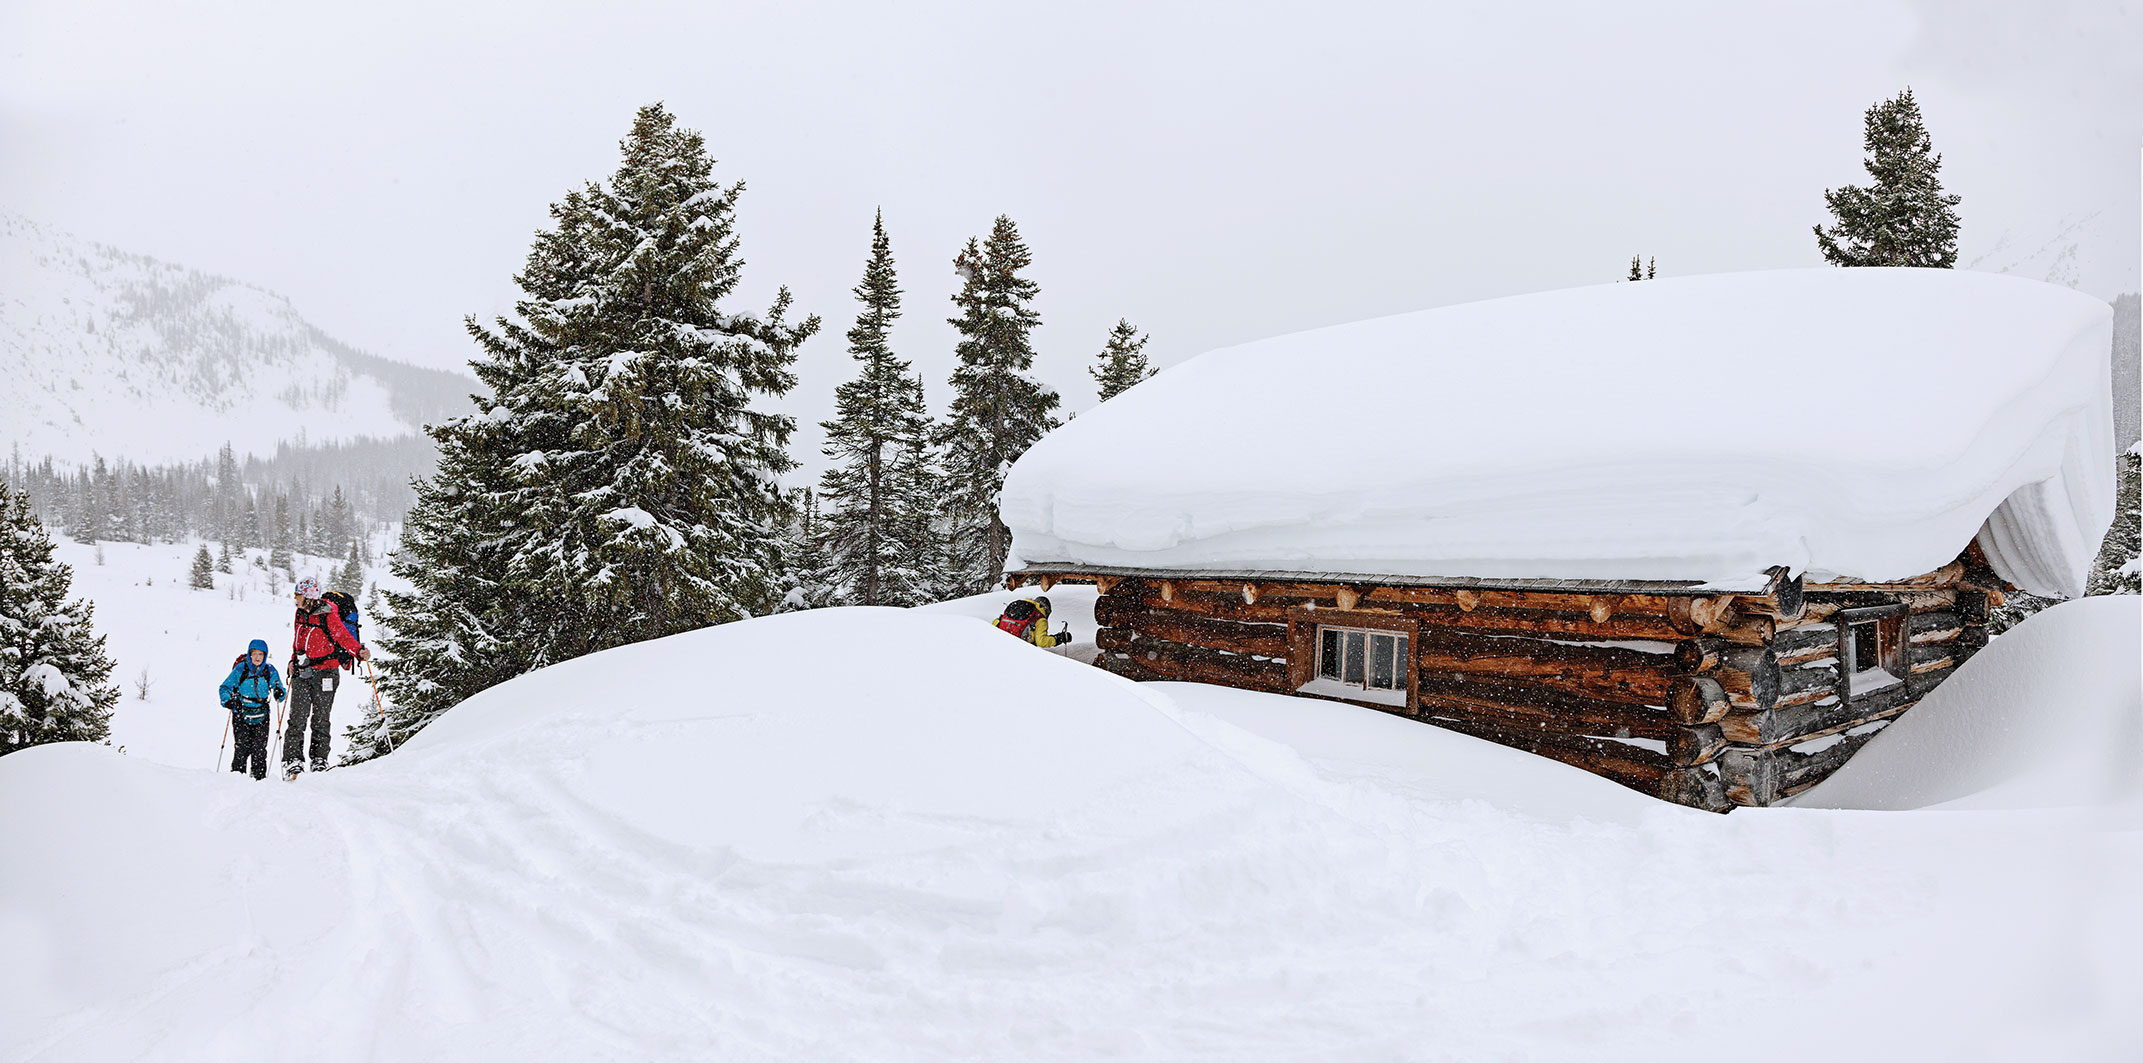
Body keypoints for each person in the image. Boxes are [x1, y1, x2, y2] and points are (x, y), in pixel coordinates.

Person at [284, 576, 368, 777]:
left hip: (326, 672)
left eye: (298, 594)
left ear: (308, 596)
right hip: (302, 671)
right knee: (297, 717)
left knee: (321, 718)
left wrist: (358, 651)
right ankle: (293, 760)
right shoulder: (300, 614)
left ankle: (319, 759)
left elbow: (342, 636)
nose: (295, 598)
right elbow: (298, 641)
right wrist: (292, 660)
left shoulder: (327, 614)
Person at [220, 638, 286, 780]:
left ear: (265, 655)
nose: (257, 658)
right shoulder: (241, 669)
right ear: (249, 654)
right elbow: (224, 688)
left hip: (262, 714)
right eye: (254, 654)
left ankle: (259, 779)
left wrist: (279, 692)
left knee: (260, 749)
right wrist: (228, 701)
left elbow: (279, 688)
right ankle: (237, 778)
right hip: (241, 713)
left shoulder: (269, 670)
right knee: (241, 747)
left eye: (260, 654)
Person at [994, 594, 1073, 648]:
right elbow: (1041, 642)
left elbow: (995, 623)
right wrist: (1059, 638)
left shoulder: (1020, 607)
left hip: (1000, 642)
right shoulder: (1040, 618)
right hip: (1018, 647)